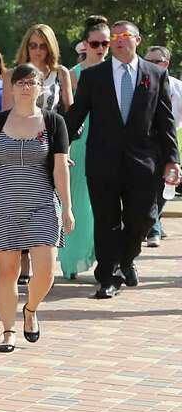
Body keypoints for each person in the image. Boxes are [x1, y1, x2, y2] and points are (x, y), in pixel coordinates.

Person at [65, 20, 180, 299]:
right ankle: (108, 275)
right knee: (106, 221)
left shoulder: (154, 74)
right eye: (113, 37)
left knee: (143, 217)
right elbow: (76, 115)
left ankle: (126, 259)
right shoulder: (94, 76)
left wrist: (172, 159)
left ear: (137, 40)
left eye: (124, 36)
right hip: (102, 161)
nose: (117, 41)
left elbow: (165, 121)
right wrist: (60, 147)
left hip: (143, 162)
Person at [0, 65, 73, 352]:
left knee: (46, 271)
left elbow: (61, 168)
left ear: (41, 87)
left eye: (32, 82)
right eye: (20, 82)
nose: (26, 87)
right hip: (3, 202)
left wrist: (67, 208)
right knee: (7, 271)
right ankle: (7, 331)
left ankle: (30, 309)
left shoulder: (54, 123)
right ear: (12, 87)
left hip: (41, 201)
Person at [59, 16, 107, 279]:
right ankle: (71, 260)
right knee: (76, 204)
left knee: (100, 207)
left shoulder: (115, 72)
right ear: (85, 44)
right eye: (95, 43)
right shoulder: (72, 75)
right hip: (77, 146)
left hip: (106, 145)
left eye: (105, 43)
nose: (100, 48)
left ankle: (100, 256)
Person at [144, 45, 182, 247]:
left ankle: (153, 222)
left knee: (165, 187)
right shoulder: (140, 84)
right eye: (146, 61)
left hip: (169, 141)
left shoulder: (177, 87)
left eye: (154, 62)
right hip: (144, 142)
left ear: (165, 64)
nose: (148, 65)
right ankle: (153, 228)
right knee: (146, 185)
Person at [5, 24, 74, 113]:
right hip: (19, 126)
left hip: (52, 125)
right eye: (33, 46)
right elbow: (6, 114)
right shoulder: (11, 75)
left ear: (50, 47)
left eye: (43, 46)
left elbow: (70, 112)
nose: (38, 50)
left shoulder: (61, 73)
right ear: (26, 47)